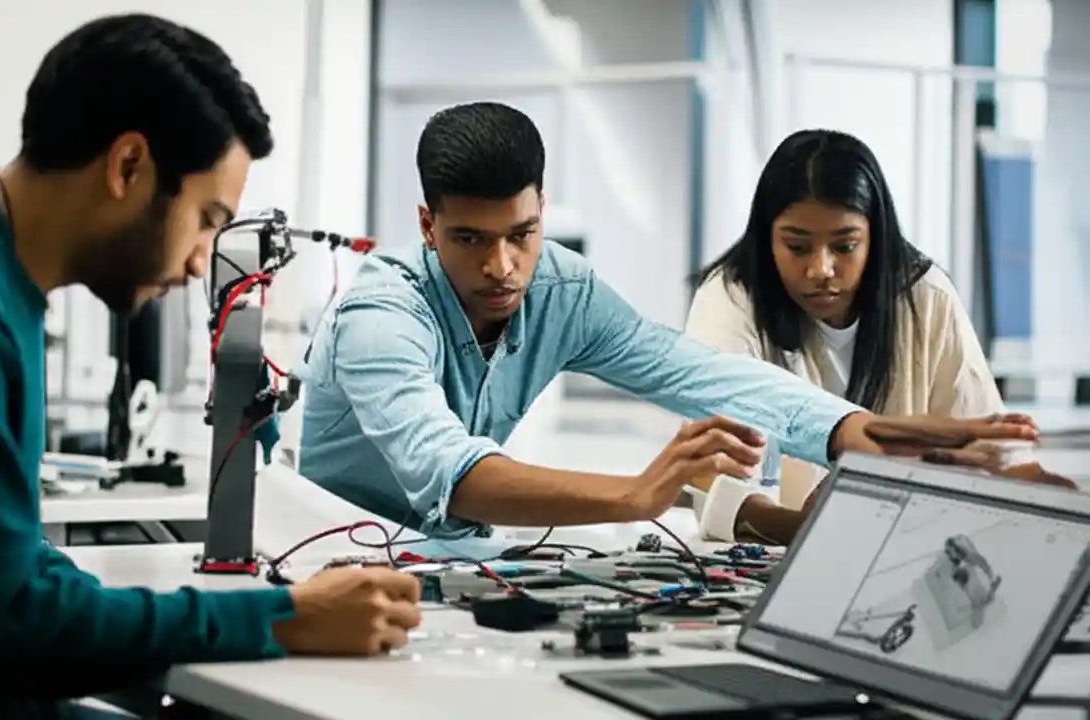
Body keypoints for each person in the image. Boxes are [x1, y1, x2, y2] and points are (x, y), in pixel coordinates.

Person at [0, 14, 419, 718]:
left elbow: (5, 566)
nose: (202, 263)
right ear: (129, 166)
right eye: (206, 219)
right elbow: (7, 625)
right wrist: (283, 618)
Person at [297, 101, 1042, 547]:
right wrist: (636, 494)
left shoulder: (562, 288)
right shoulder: (380, 315)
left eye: (521, 234)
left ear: (543, 212)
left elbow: (693, 370)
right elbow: (452, 473)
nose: (502, 266)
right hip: (324, 558)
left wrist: (847, 429)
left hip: (454, 562)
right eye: (470, 239)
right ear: (427, 226)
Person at [685, 128, 1073, 541]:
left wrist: (1054, 505)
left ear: (876, 238)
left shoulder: (926, 297)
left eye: (845, 246)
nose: (821, 270)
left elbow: (994, 458)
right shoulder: (731, 300)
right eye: (797, 247)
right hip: (771, 552)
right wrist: (808, 531)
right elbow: (713, 484)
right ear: (767, 239)